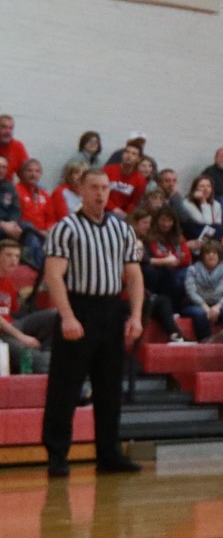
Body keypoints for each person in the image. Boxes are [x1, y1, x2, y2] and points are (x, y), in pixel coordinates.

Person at [39, 167, 144, 477]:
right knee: (65, 388)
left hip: (112, 310)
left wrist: (136, 316)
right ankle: (57, 455)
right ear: (80, 191)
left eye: (105, 188)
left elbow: (135, 276)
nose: (100, 193)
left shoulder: (123, 229)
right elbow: (53, 275)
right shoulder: (66, 227)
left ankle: (109, 455)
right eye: (94, 187)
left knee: (110, 387)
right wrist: (68, 316)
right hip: (79, 308)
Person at [0, 239, 57, 373]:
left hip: (12, 326)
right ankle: (47, 364)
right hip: (3, 334)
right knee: (27, 352)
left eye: (17, 256)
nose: (14, 260)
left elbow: (13, 312)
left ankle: (50, 350)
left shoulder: (8, 283)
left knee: (54, 314)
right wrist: (22, 337)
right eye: (8, 255)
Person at [127, 211, 182, 343]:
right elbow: (143, 261)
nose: (148, 226)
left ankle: (176, 336)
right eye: (145, 223)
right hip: (126, 295)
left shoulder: (144, 240)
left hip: (141, 293)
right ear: (134, 223)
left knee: (163, 300)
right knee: (151, 272)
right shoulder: (127, 241)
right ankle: (176, 336)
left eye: (149, 223)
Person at [182, 239, 223, 341]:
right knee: (200, 313)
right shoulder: (192, 270)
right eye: (207, 253)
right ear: (202, 256)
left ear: (219, 255)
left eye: (214, 253)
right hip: (196, 305)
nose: (211, 255)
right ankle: (206, 341)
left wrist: (217, 307)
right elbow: (191, 292)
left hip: (219, 304)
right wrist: (205, 307)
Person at [174, 174, 223, 243]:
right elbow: (205, 222)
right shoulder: (187, 203)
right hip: (193, 232)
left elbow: (217, 224)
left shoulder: (216, 204)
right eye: (202, 186)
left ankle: (212, 248)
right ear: (195, 189)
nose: (206, 189)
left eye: (208, 186)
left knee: (218, 228)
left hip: (208, 234)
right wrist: (203, 201)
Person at [101, 150, 148, 217]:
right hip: (103, 207)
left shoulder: (141, 180)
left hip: (122, 214)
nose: (129, 155)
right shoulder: (108, 169)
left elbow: (134, 202)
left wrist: (125, 213)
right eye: (127, 152)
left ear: (138, 159)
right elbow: (100, 192)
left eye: (133, 154)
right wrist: (113, 208)